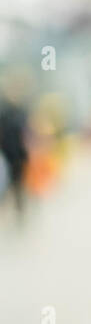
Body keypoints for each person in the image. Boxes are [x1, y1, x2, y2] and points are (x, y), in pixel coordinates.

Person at [0, 81, 30, 220]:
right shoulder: (4, 112)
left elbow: (27, 134)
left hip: (20, 154)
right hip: (7, 153)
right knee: (9, 184)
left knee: (20, 184)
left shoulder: (22, 111)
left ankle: (20, 210)